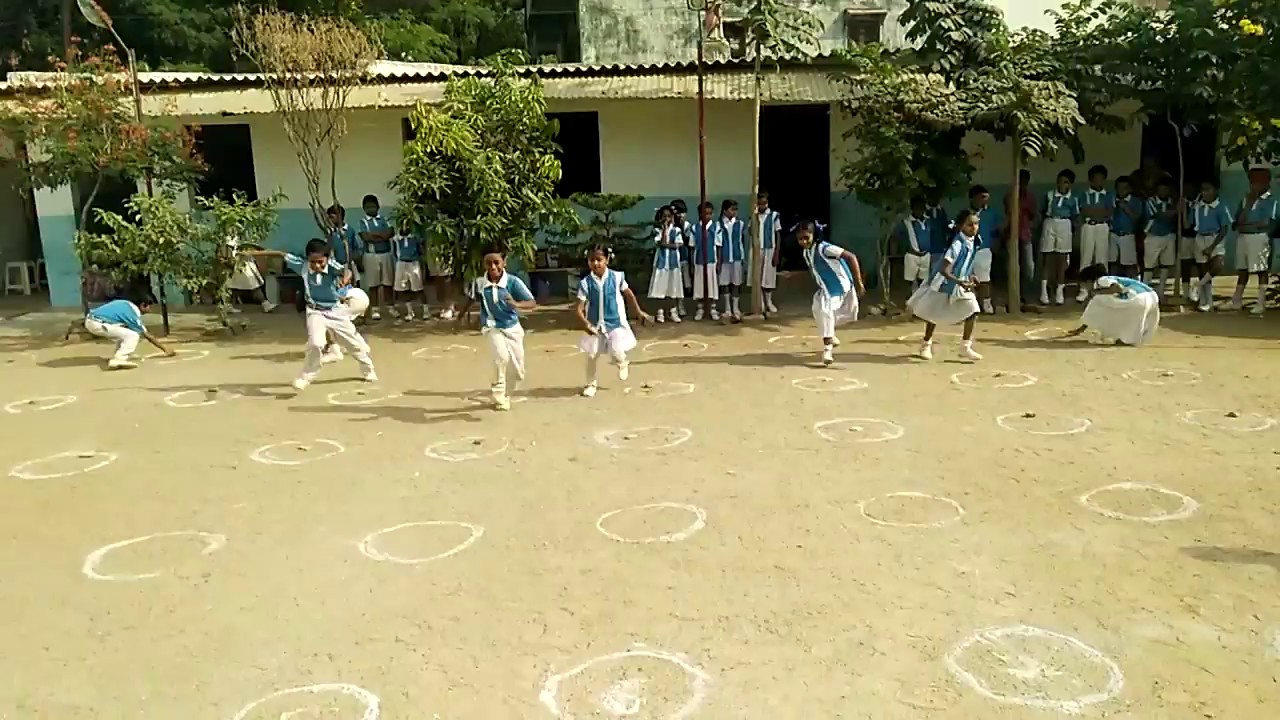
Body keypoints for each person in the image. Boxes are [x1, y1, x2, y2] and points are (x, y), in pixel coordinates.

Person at [247, 239, 376, 390]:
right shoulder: (301, 266)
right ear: (307, 258)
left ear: (327, 258)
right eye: (313, 262)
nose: (317, 266)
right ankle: (305, 377)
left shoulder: (333, 266)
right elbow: (280, 254)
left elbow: (346, 272)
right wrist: (253, 253)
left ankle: (368, 369)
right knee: (315, 344)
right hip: (315, 311)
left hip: (336, 311)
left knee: (353, 344)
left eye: (320, 262)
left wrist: (345, 278)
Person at [456, 247, 536, 411]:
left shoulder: (512, 282)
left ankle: (506, 394)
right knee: (501, 357)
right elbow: (471, 299)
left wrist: (516, 304)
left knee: (518, 371)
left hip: (512, 328)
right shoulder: (480, 283)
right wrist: (460, 316)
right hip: (492, 326)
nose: (493, 267)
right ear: (484, 265)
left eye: (496, 262)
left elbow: (532, 303)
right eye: (489, 263)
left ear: (504, 263)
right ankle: (498, 392)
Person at [575, 243, 651, 398]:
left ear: (607, 260)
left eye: (599, 259)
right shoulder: (585, 283)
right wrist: (585, 323)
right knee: (592, 355)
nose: (595, 263)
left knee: (616, 351)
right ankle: (591, 384)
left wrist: (638, 312)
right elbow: (579, 308)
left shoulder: (617, 277)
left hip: (615, 323)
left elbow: (629, 295)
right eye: (591, 260)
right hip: (595, 324)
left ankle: (622, 362)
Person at [906, 209, 983, 361]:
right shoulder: (957, 244)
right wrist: (960, 281)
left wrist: (971, 275)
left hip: (959, 282)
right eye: (970, 224)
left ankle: (965, 347)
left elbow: (966, 262)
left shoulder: (975, 241)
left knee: (973, 310)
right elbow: (944, 270)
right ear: (960, 226)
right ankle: (926, 344)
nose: (974, 227)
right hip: (943, 283)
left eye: (976, 224)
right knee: (933, 314)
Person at [798, 220, 865, 366]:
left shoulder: (825, 248)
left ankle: (827, 349)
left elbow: (851, 257)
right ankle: (830, 336)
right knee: (818, 308)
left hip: (839, 287)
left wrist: (859, 282)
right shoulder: (806, 252)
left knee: (827, 310)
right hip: (827, 289)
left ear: (814, 235)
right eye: (800, 238)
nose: (803, 241)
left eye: (806, 237)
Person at [84, 292, 175, 369]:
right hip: (96, 323)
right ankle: (119, 359)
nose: (150, 310)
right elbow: (147, 335)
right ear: (142, 305)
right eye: (149, 307)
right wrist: (165, 348)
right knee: (133, 335)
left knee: (125, 331)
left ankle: (120, 354)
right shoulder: (131, 314)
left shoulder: (126, 304)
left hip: (93, 320)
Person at [1230, 167, 1277, 316]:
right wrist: (1249, 205)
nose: (1254, 186)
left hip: (1259, 237)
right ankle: (1236, 300)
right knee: (1242, 269)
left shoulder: (1271, 200)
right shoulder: (1245, 200)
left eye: (1258, 182)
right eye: (1252, 182)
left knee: (1261, 270)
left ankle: (1260, 302)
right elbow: (1238, 221)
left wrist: (1247, 224)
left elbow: (1265, 223)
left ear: (1266, 183)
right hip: (1243, 237)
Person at [1064, 275, 1160, 346]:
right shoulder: (1114, 279)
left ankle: (1122, 337)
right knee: (1108, 304)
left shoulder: (1101, 280)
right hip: (1152, 297)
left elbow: (1118, 288)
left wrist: (1097, 292)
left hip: (1139, 298)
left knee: (1097, 299)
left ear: (1088, 281)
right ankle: (1125, 337)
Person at [1191, 178, 1233, 312]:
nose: (1205, 193)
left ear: (1215, 190)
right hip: (1200, 237)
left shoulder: (1221, 207)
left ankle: (1198, 285)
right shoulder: (1197, 207)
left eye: (1208, 189)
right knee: (1203, 270)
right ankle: (1206, 301)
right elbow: (1189, 224)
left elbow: (1224, 229)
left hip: (1215, 237)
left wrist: (1212, 246)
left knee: (1218, 265)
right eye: (1203, 190)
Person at [1040, 169, 1080, 306]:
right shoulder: (1049, 195)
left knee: (1062, 259)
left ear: (1070, 184)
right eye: (1060, 182)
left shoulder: (1073, 199)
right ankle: (1043, 291)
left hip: (1065, 224)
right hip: (1050, 222)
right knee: (1048, 258)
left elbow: (1075, 216)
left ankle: (1059, 291)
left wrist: (1073, 232)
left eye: (1066, 182)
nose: (1062, 185)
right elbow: (1042, 211)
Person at [1001, 169, 1039, 306]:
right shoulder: (1009, 197)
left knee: (1028, 268)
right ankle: (1013, 296)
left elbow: (1033, 215)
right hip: (1011, 235)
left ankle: (1026, 295)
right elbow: (1009, 214)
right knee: (1012, 267)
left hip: (1025, 233)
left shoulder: (1030, 197)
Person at [1077, 165, 1113, 302]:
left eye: (1101, 179)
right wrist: (1098, 210)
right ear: (1090, 180)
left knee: (1102, 258)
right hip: (1089, 226)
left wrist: (1095, 211)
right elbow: (1084, 211)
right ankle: (1083, 289)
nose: (1098, 182)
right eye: (1095, 179)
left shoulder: (1108, 195)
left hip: (1102, 227)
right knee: (1086, 257)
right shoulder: (1084, 194)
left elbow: (1108, 212)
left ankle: (1101, 288)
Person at [357, 194, 395, 321]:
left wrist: (375, 236)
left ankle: (390, 307)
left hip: (386, 254)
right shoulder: (363, 222)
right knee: (373, 284)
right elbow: (366, 237)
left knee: (388, 282)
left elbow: (390, 233)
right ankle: (375, 309)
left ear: (378, 207)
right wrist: (381, 236)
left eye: (373, 207)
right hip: (371, 255)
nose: (371, 209)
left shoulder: (384, 219)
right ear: (364, 208)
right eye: (368, 207)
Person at [1142, 177, 1179, 299]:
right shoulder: (1150, 201)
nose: (1163, 192)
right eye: (1161, 189)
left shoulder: (1172, 201)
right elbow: (1158, 215)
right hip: (1153, 235)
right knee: (1149, 265)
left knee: (1165, 264)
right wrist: (1176, 211)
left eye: (1166, 189)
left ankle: (1161, 291)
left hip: (1169, 235)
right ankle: (1144, 292)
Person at [648, 205, 685, 323]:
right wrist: (664, 230)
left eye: (669, 216)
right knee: (660, 287)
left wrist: (667, 245)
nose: (666, 219)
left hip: (673, 264)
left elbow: (678, 244)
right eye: (664, 216)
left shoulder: (677, 230)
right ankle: (660, 312)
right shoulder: (657, 230)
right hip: (661, 263)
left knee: (673, 287)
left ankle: (673, 311)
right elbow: (661, 243)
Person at [969, 185, 1000, 315]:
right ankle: (971, 305)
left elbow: (996, 231)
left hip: (984, 249)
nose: (984, 200)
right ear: (973, 198)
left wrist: (994, 245)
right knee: (968, 278)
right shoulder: (966, 213)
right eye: (981, 197)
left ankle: (986, 304)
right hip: (968, 249)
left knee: (984, 279)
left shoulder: (991, 213)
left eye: (986, 198)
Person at [751, 190, 782, 315]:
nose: (762, 206)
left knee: (768, 276)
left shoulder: (774, 216)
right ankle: (760, 302)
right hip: (757, 250)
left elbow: (778, 234)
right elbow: (750, 231)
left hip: (770, 249)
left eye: (764, 203)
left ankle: (769, 301)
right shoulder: (754, 216)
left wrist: (777, 252)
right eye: (760, 203)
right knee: (758, 276)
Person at [690, 201, 722, 321]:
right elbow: (692, 247)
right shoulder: (694, 228)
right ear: (700, 214)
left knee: (712, 284)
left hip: (711, 260)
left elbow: (718, 246)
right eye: (705, 213)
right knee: (699, 285)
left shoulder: (716, 227)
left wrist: (719, 262)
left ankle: (713, 308)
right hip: (698, 261)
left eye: (710, 213)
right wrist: (692, 264)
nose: (708, 216)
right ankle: (700, 308)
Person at [391, 219, 426, 322]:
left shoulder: (415, 238)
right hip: (401, 264)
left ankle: (425, 310)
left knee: (418, 288)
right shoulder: (396, 239)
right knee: (403, 289)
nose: (405, 228)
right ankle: (409, 311)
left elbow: (420, 251)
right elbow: (395, 252)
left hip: (413, 264)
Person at [717, 199, 747, 322]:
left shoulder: (740, 224)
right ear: (725, 210)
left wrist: (742, 256)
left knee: (736, 283)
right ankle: (727, 308)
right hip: (724, 258)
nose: (734, 212)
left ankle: (735, 308)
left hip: (736, 257)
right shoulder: (718, 224)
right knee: (725, 284)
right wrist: (718, 260)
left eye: (736, 209)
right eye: (732, 209)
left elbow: (742, 240)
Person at [1110, 176, 1145, 279]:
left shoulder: (1136, 201)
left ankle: (1133, 281)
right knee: (1112, 261)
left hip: (1127, 234)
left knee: (1129, 263)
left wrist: (1126, 208)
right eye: (1119, 188)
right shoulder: (1111, 199)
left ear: (1130, 189)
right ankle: (1112, 282)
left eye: (1124, 188)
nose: (1121, 190)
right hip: (1113, 234)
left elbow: (1137, 218)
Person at [897, 197, 931, 295]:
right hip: (912, 255)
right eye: (917, 208)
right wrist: (907, 249)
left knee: (923, 280)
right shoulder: (906, 222)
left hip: (925, 255)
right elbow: (900, 238)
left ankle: (920, 298)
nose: (920, 210)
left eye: (922, 208)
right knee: (909, 280)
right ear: (912, 208)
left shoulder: (928, 221)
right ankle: (908, 299)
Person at [426, 230, 458, 321]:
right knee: (438, 281)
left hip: (445, 254)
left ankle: (450, 306)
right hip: (433, 253)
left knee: (447, 280)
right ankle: (443, 306)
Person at [1179, 181, 1201, 304]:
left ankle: (1198, 290)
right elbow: (1185, 225)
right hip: (1186, 237)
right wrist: (1182, 210)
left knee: (1199, 265)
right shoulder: (1183, 202)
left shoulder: (1201, 201)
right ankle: (1186, 292)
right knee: (1185, 264)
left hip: (1199, 237)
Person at [671, 199, 694, 316]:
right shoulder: (670, 226)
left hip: (683, 257)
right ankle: (674, 307)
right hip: (672, 259)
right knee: (673, 284)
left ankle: (681, 305)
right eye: (678, 212)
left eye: (682, 212)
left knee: (683, 284)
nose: (680, 215)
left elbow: (688, 242)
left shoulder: (687, 225)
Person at [924, 187, 950, 277]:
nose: (936, 199)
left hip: (939, 248)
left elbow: (945, 228)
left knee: (936, 275)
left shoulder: (941, 211)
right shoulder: (923, 211)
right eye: (932, 196)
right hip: (925, 250)